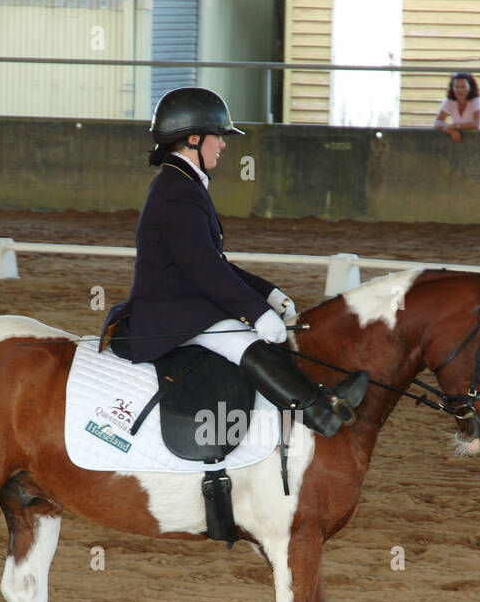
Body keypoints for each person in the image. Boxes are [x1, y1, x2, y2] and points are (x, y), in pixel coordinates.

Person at [111, 86, 367, 438]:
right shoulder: (177, 191)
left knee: (253, 332)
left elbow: (211, 261)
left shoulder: (183, 183)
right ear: (193, 138)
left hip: (184, 301)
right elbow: (204, 268)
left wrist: (266, 293)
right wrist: (256, 312)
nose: (224, 144)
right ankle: (319, 413)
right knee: (245, 343)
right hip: (168, 313)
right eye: (218, 136)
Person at [434, 71, 480, 141]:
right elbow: (438, 122)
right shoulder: (449, 101)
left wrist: (455, 126)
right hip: (465, 135)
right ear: (452, 88)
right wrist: (450, 130)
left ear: (470, 87)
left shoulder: (476, 100)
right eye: (456, 87)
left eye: (463, 86)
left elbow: (475, 124)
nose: (460, 90)